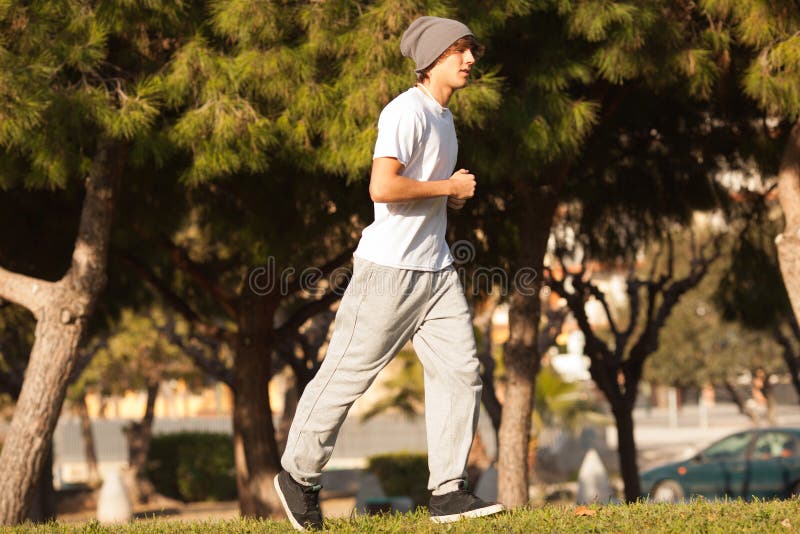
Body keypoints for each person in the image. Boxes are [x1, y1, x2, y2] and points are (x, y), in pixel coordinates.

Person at [273, 15, 505, 531]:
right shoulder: (406, 112)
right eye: (460, 51)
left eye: (472, 51)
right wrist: (448, 188)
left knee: (461, 372)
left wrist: (446, 195)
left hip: (436, 270)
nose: (470, 60)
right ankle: (298, 476)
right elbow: (382, 187)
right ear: (433, 59)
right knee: (346, 376)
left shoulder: (444, 118)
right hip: (389, 272)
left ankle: (447, 492)